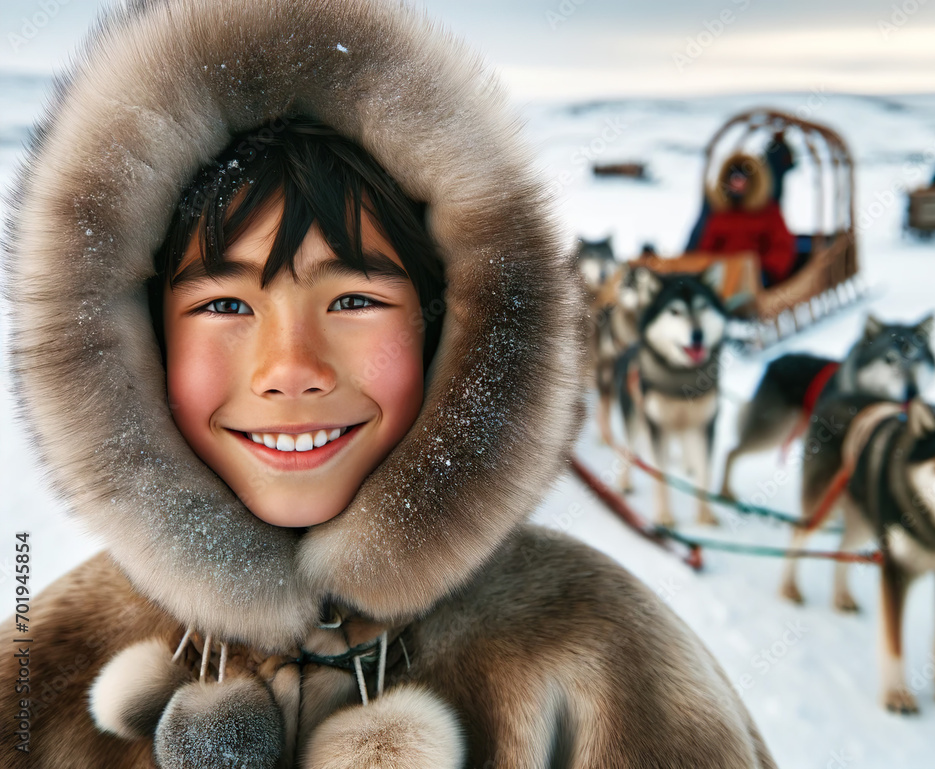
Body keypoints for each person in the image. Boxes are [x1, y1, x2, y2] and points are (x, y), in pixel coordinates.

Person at [0, 2, 777, 767]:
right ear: (137, 342)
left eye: (353, 301)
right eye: (226, 305)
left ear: (451, 333)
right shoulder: (42, 669)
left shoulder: (604, 660)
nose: (291, 368)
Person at [698, 153, 797, 287]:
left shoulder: (769, 213)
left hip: (757, 279)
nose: (737, 184)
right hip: (721, 277)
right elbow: (707, 248)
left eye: (741, 179)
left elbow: (782, 248)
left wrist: (767, 273)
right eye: (733, 179)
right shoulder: (720, 214)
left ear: (752, 182)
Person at [764, 130, 796, 204]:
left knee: (775, 194)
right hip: (773, 176)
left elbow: (788, 162)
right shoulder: (777, 146)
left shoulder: (778, 146)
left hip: (775, 176)